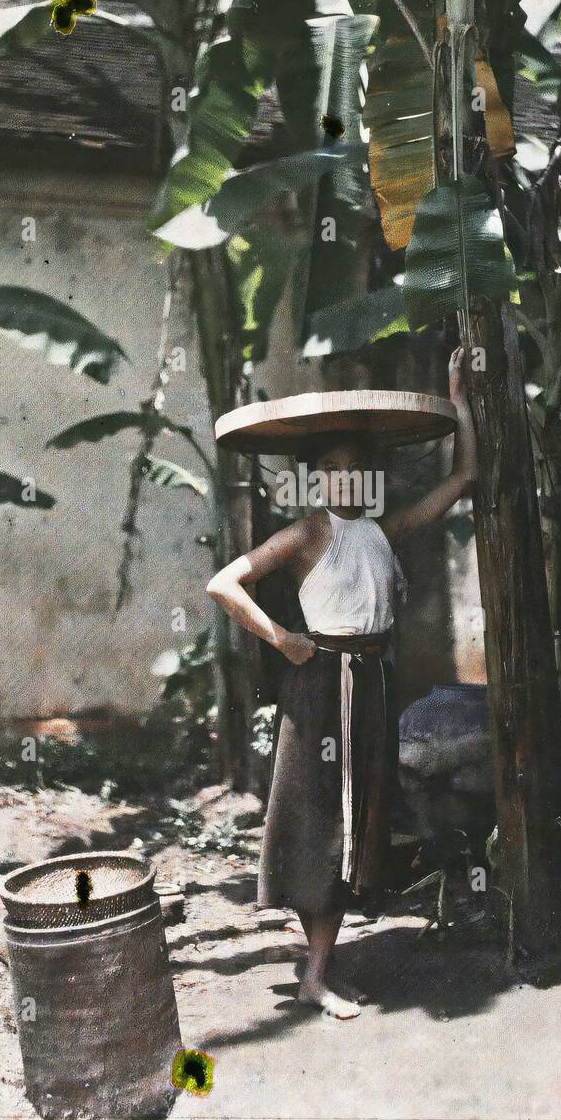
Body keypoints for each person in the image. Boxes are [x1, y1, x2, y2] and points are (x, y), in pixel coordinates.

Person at [207, 347, 477, 1017]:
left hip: (371, 685)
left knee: (362, 820)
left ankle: (324, 968)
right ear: (315, 480)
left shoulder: (384, 530)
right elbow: (223, 584)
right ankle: (315, 974)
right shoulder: (304, 534)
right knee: (318, 818)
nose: (344, 479)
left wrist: (455, 391)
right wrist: (282, 639)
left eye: (356, 467)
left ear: (371, 476)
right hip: (320, 686)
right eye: (330, 469)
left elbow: (466, 473)